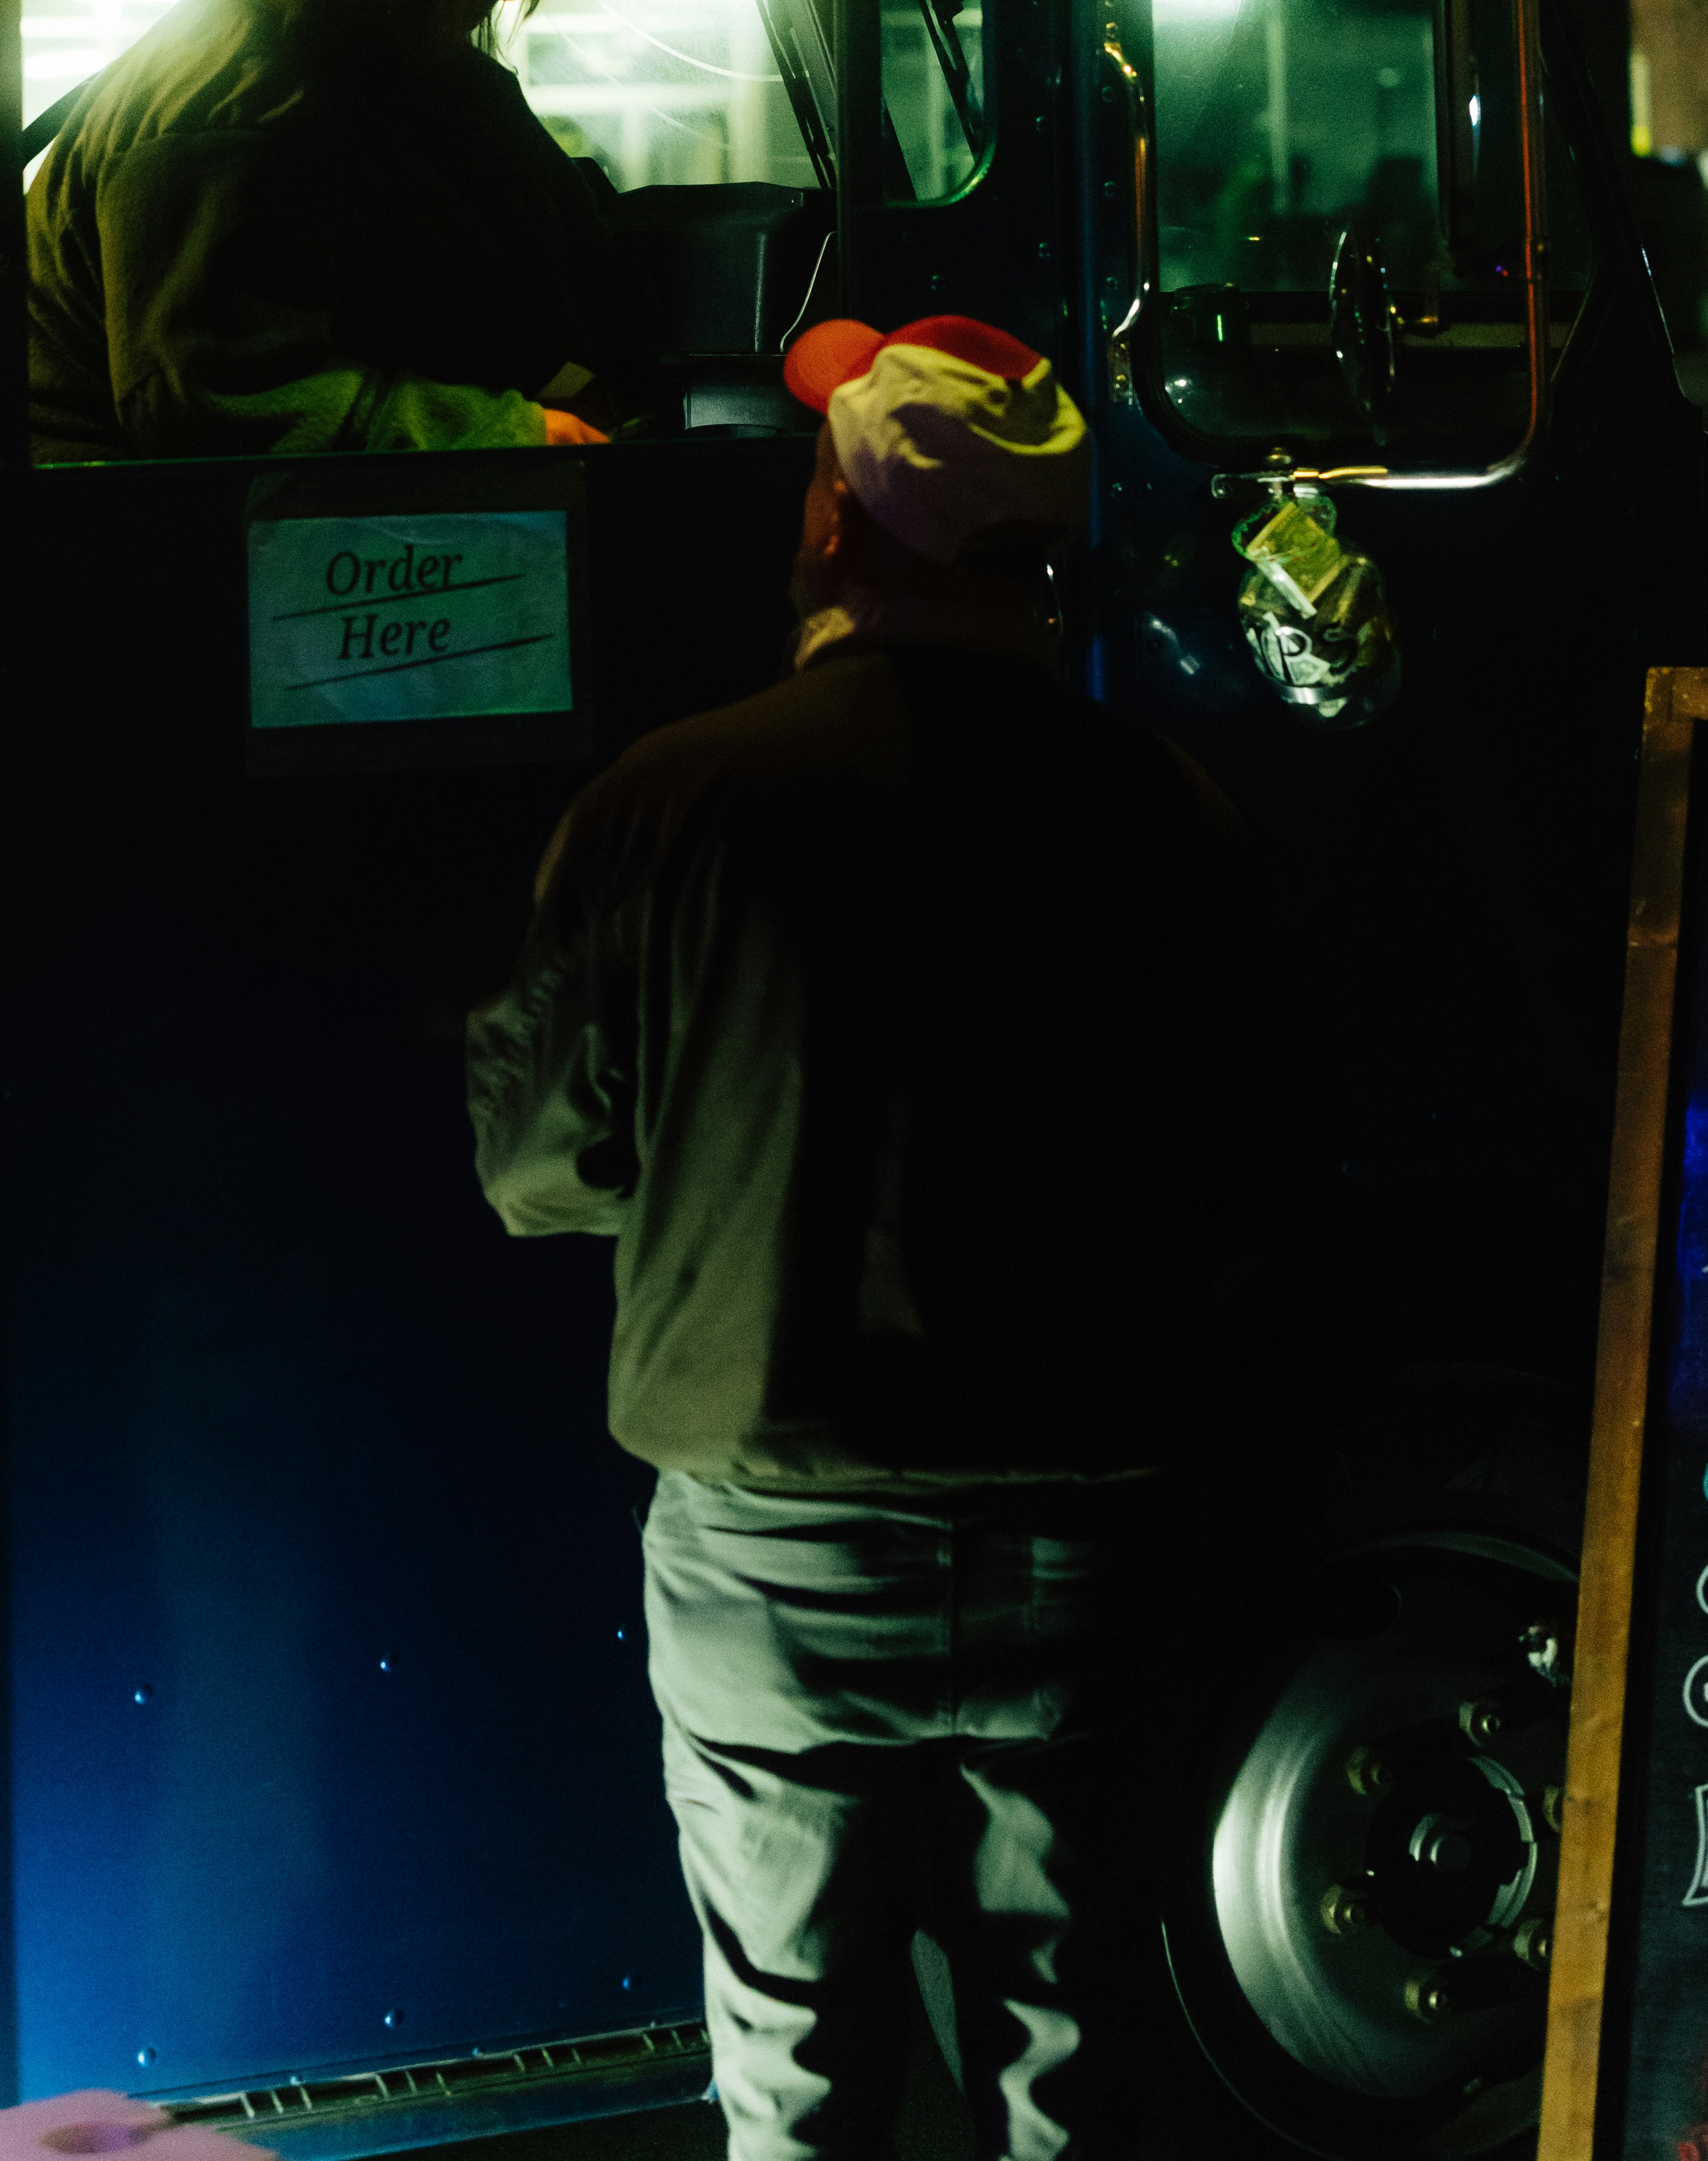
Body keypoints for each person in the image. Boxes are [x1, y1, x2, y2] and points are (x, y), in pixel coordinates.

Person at [467, 312, 1278, 2159]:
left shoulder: (673, 804)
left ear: (834, 526)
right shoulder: (1170, 815)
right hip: (1081, 1538)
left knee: (797, 2068)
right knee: (1074, 2066)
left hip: (768, 1543)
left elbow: (539, 1168)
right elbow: (1257, 1171)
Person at [26, 0, 638, 461]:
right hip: (132, 538)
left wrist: (576, 381)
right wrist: (505, 432)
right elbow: (207, 396)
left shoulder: (427, 77)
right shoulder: (230, 102)